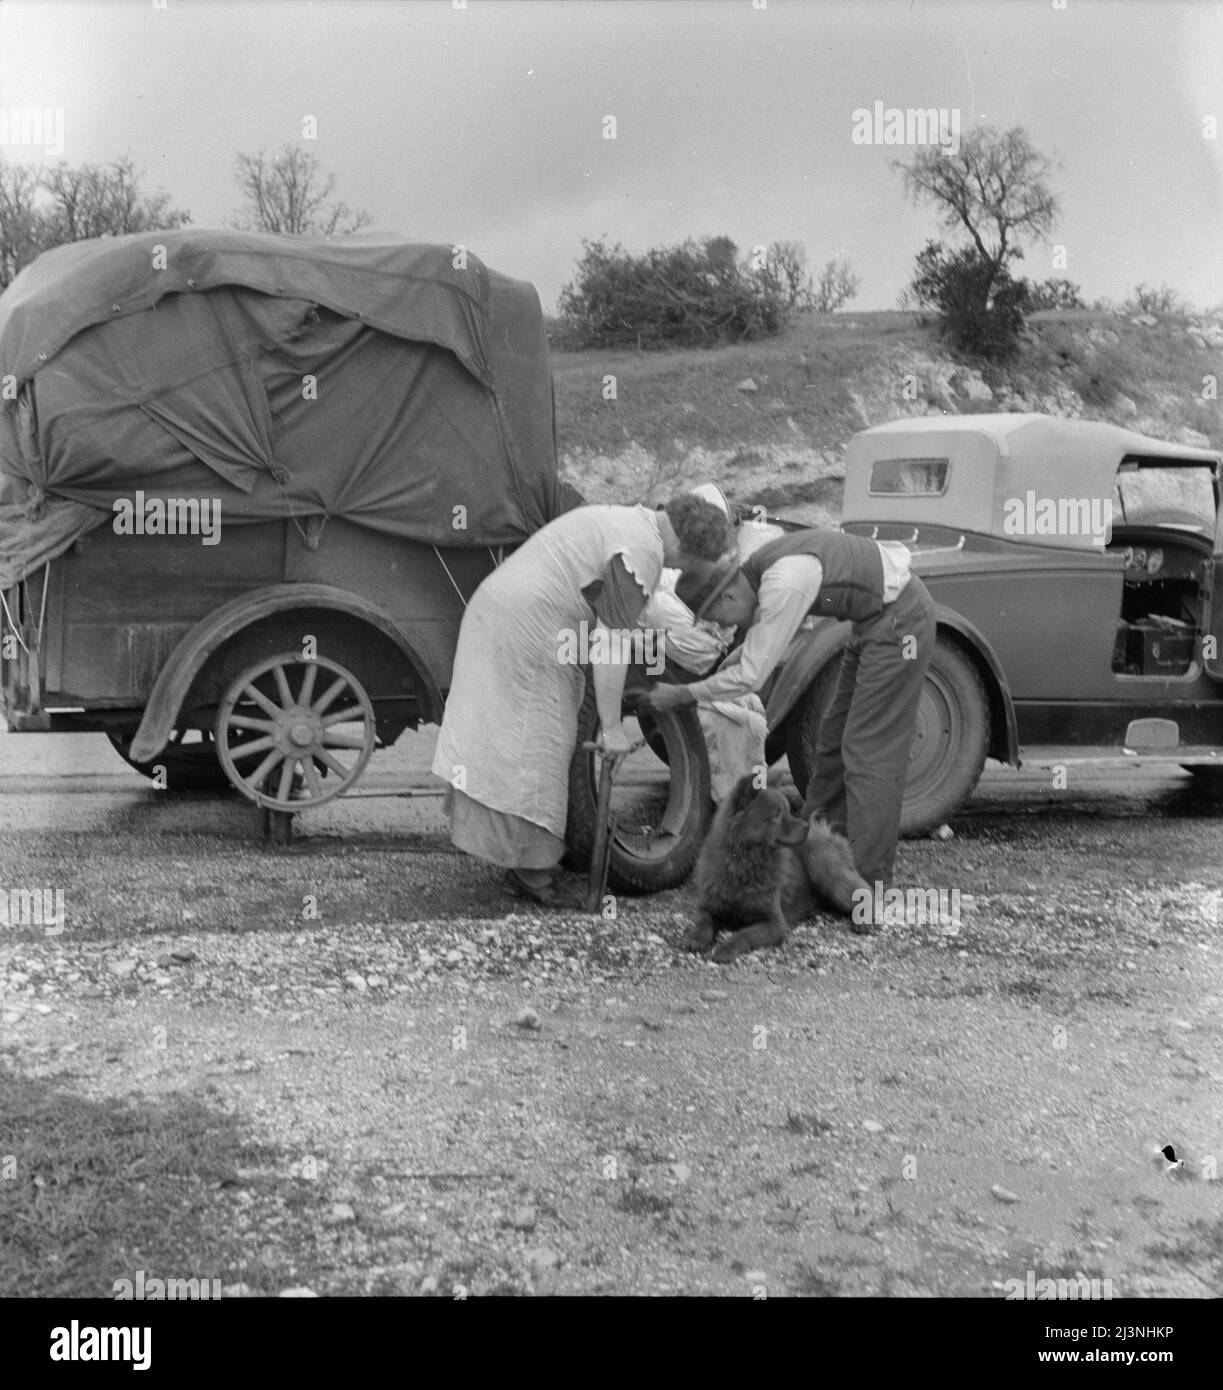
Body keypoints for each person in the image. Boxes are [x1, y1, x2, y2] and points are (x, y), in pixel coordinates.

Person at [432, 494, 732, 906]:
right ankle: (532, 874)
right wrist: (610, 728)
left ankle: (521, 861)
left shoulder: (630, 520)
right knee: (540, 744)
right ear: (686, 546)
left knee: (513, 740)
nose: (679, 570)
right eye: (689, 564)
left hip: (504, 612)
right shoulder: (642, 551)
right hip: (528, 629)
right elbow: (611, 643)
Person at [636, 527, 935, 894]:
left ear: (729, 593)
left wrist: (684, 693)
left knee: (868, 753)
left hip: (901, 624)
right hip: (869, 625)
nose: (731, 627)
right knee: (832, 741)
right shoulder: (763, 571)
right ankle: (814, 856)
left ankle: (867, 886)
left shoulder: (782, 583)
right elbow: (756, 649)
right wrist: (717, 676)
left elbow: (751, 673)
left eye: (724, 619)